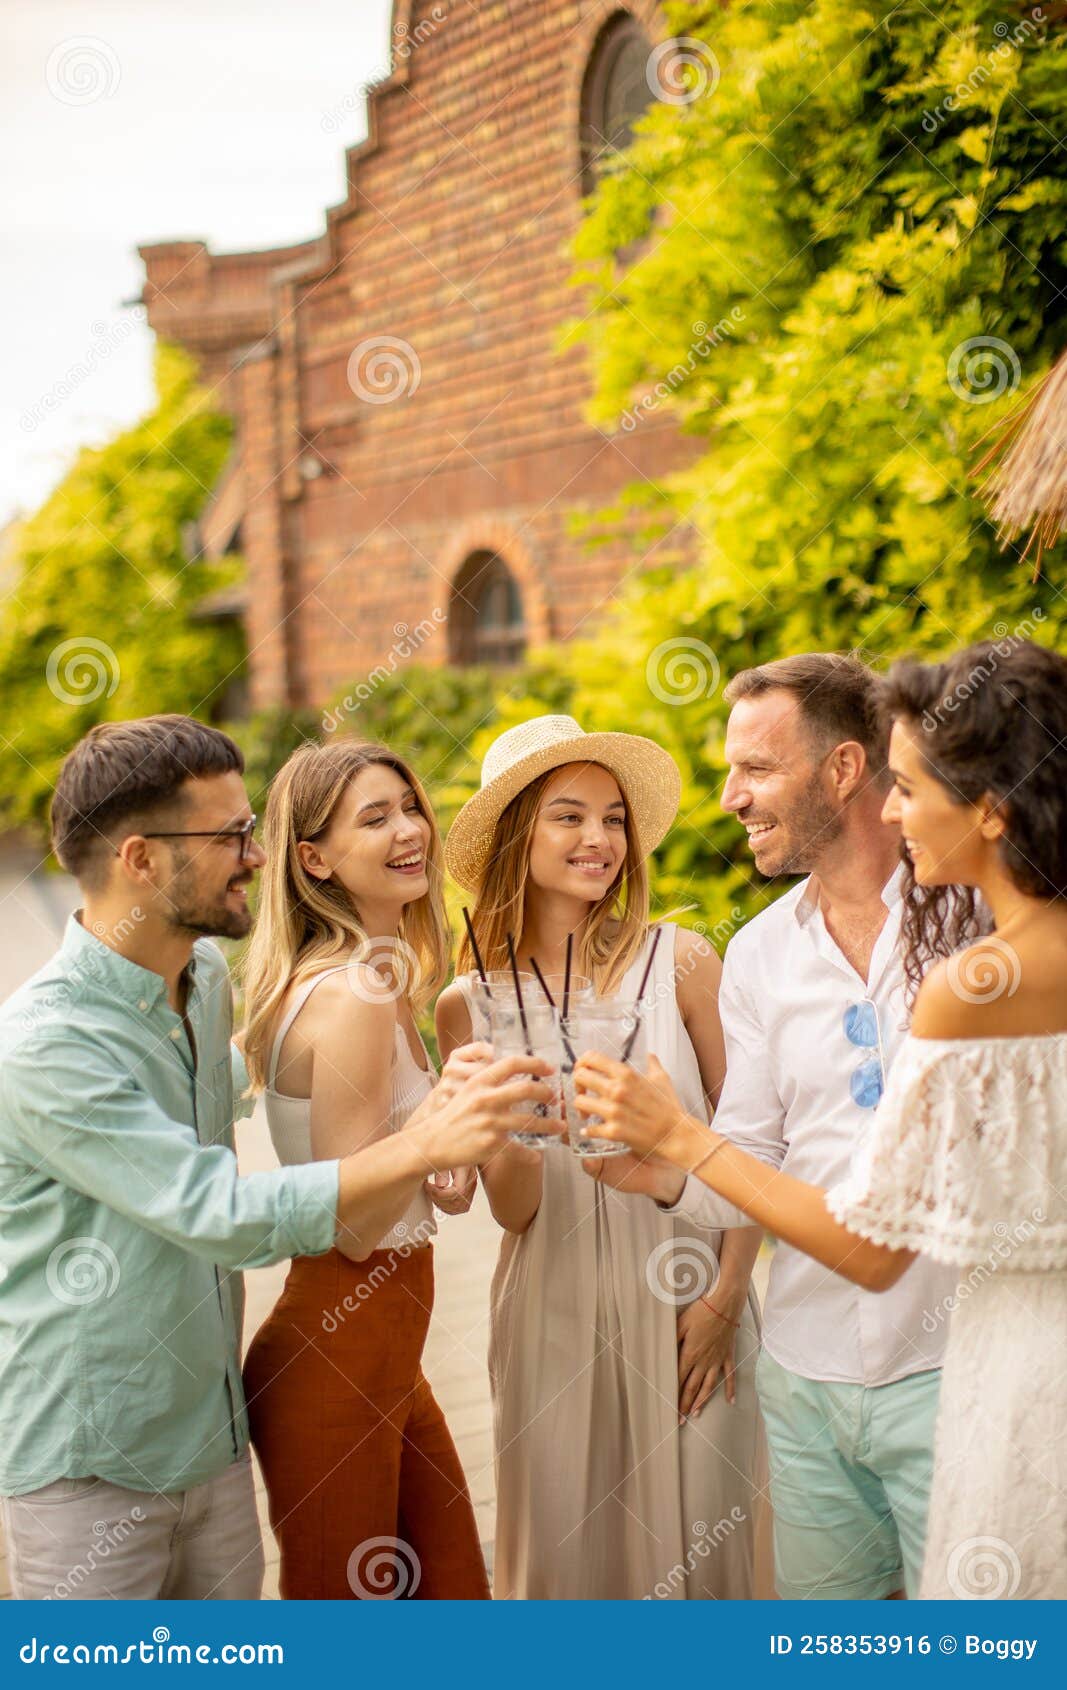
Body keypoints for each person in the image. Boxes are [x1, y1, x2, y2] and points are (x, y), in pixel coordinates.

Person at [0, 716, 553, 1601]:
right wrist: (427, 1140)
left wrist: (421, 1150)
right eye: (228, 836)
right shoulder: (45, 1043)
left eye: (249, 831)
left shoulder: (207, 986)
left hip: (210, 1431)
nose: (253, 857)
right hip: (92, 1456)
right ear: (140, 860)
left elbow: (314, 1130)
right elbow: (220, 1213)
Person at [574, 640, 1067, 1600]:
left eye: (754, 767)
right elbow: (754, 1152)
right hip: (808, 1378)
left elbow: (879, 1232)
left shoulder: (986, 932)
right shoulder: (757, 953)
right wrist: (672, 1173)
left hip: (957, 1362)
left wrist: (684, 1138)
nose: (731, 797)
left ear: (843, 767)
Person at [436, 714, 763, 1600]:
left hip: (692, 1290)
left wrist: (729, 1298)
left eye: (613, 818)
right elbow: (512, 1210)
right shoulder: (467, 1005)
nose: (599, 839)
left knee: (714, 1554)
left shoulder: (684, 961)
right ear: (517, 836)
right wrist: (507, 1131)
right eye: (568, 816)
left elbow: (751, 1144)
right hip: (554, 1305)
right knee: (575, 1565)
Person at [241, 740, 503, 1599]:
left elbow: (406, 1183)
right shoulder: (354, 990)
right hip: (336, 1356)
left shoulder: (381, 981)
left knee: (452, 1596)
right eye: (374, 817)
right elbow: (350, 1223)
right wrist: (441, 1121)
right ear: (313, 859)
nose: (408, 830)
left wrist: (447, 1165)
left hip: (388, 1358)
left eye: (409, 806)